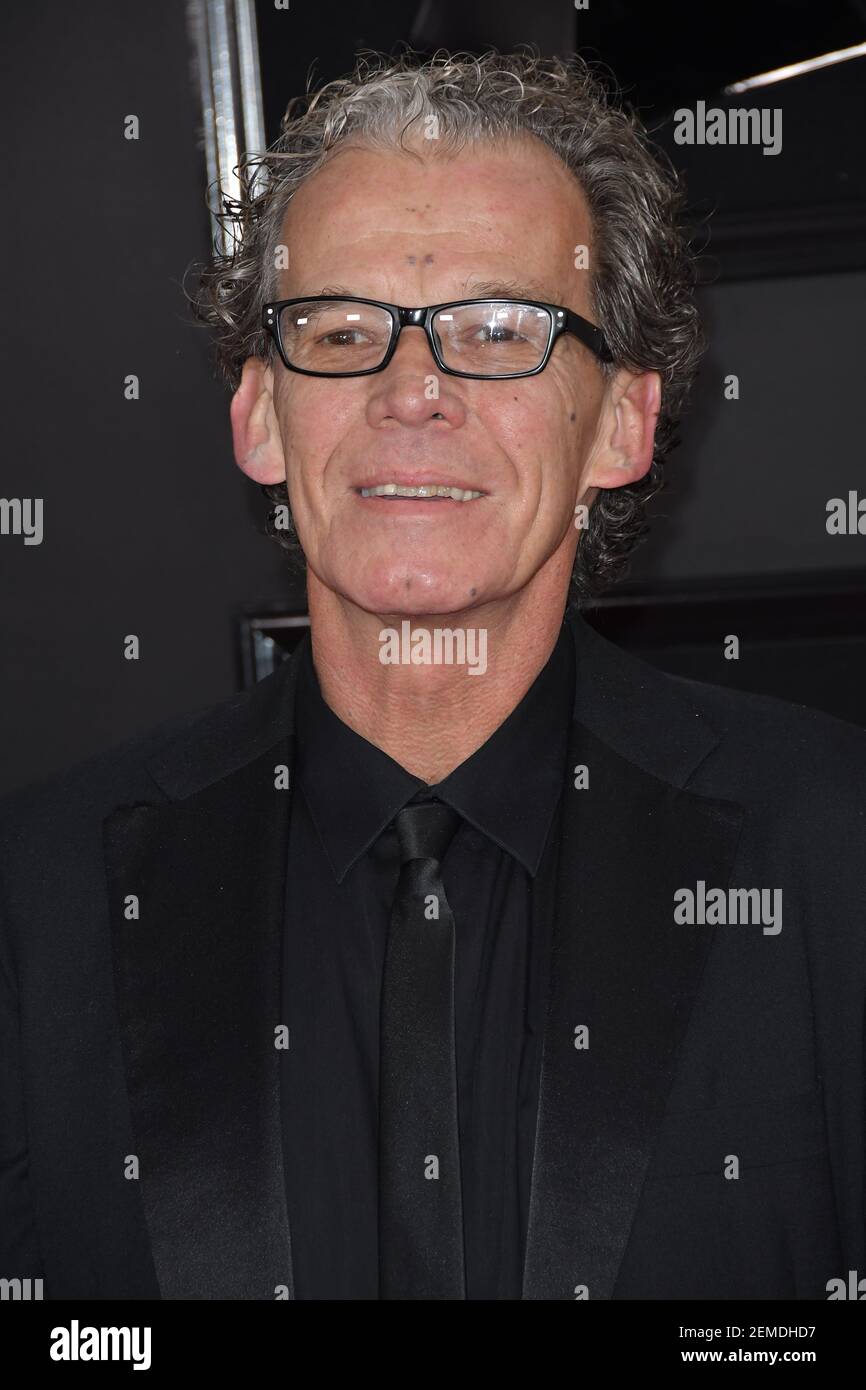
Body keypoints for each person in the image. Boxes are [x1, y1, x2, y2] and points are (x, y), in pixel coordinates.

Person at [1, 49, 864, 1302]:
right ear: (258, 415)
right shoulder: (41, 900)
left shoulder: (835, 851)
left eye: (498, 331)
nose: (412, 392)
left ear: (619, 423)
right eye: (341, 328)